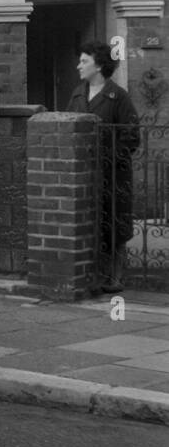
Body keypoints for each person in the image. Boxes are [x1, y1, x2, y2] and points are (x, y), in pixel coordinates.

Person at [67, 40, 140, 293]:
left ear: (98, 66)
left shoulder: (118, 96)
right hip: (83, 177)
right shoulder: (77, 94)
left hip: (113, 176)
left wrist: (106, 157)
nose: (79, 65)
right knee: (88, 223)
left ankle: (114, 277)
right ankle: (92, 275)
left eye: (84, 61)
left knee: (115, 225)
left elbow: (131, 136)